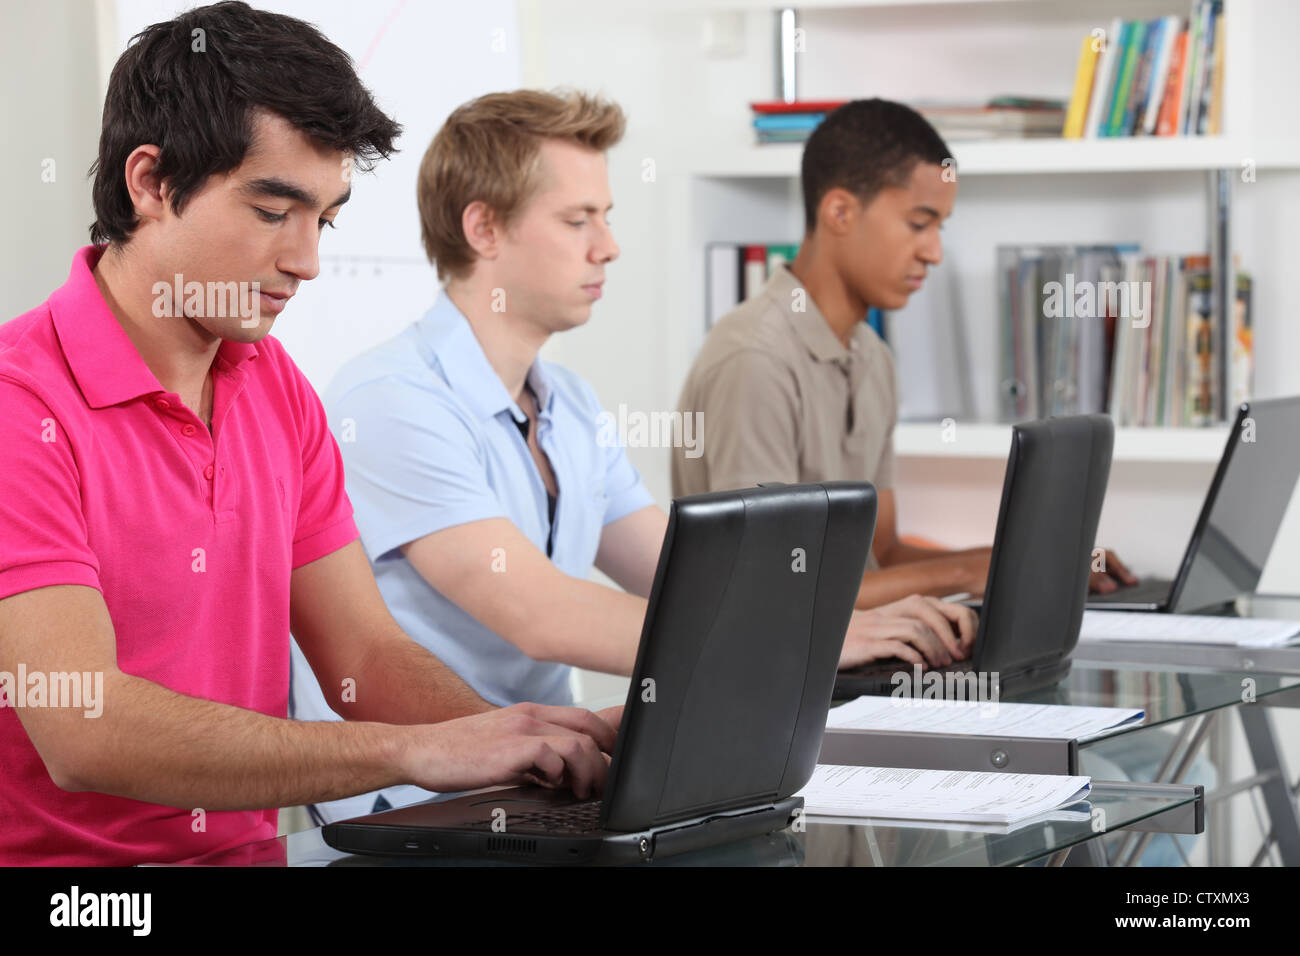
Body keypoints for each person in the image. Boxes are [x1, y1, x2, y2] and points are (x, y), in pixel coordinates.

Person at [0, 2, 616, 867]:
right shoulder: (19, 405)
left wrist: (531, 736)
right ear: (149, 182)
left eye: (322, 219)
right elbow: (83, 728)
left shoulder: (274, 387)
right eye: (270, 210)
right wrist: (413, 753)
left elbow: (361, 651)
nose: (306, 261)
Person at [290, 88, 978, 822]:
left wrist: (832, 626)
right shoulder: (391, 398)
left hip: (553, 778)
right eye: (577, 219)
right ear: (484, 228)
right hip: (417, 804)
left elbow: (685, 574)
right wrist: (815, 639)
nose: (608, 245)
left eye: (607, 217)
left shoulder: (572, 404)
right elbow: (539, 613)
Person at [671, 98, 1137, 608]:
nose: (934, 252)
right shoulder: (754, 360)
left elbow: (883, 555)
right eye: (919, 224)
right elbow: (767, 590)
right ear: (840, 212)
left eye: (941, 227)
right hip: (765, 679)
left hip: (843, 660)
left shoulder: (872, 357)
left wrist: (1029, 558)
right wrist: (964, 571)